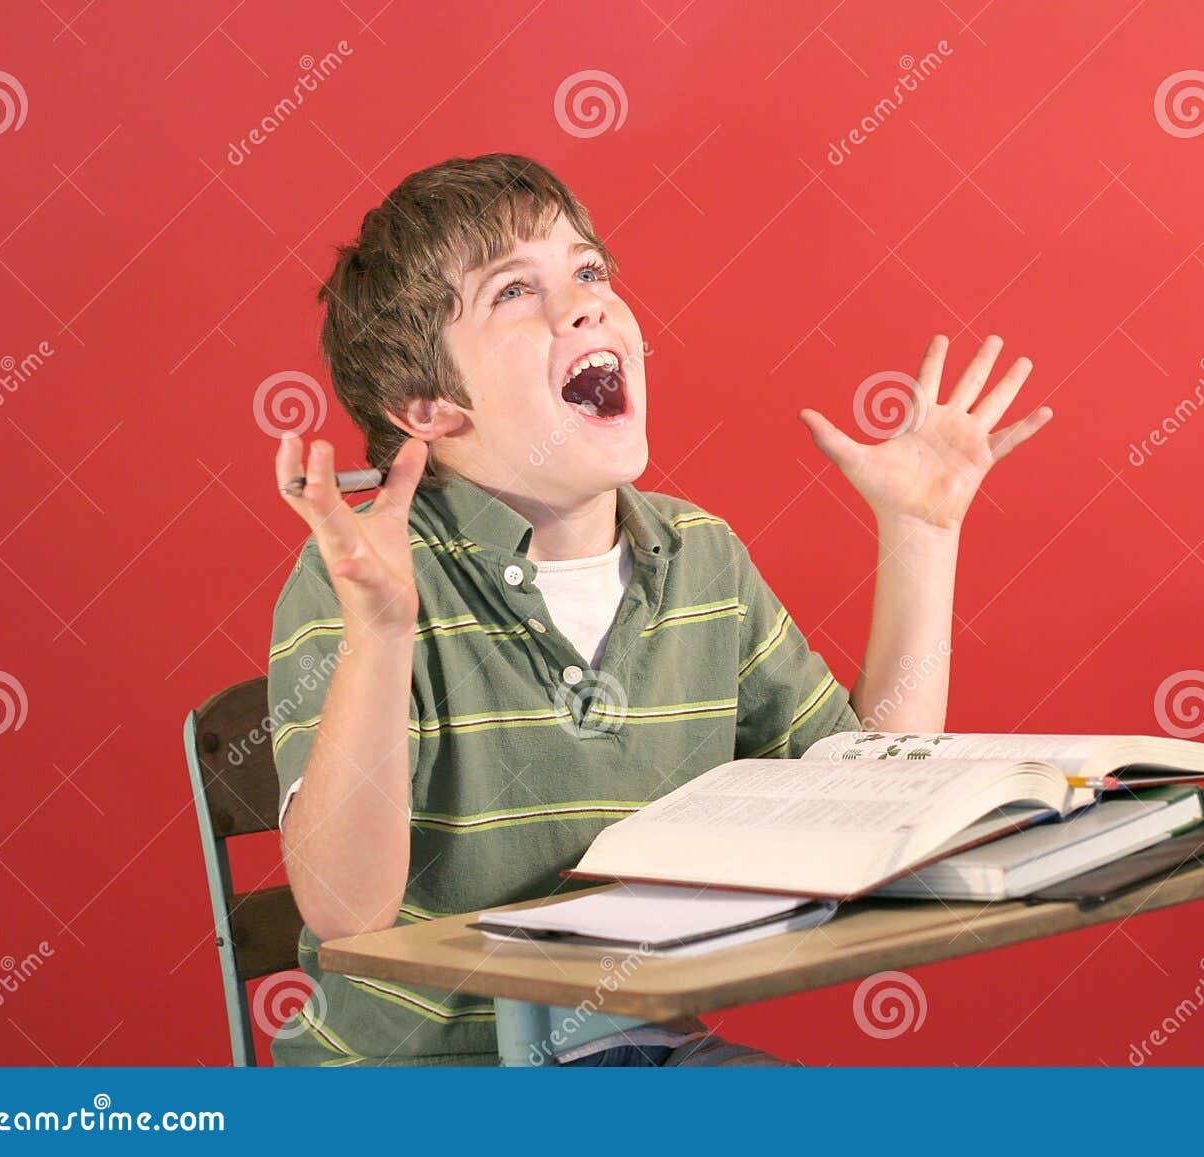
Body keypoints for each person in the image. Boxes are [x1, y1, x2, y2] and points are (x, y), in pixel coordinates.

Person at [266, 153, 1051, 1066]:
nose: (584, 305)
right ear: (428, 406)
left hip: (641, 1056)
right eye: (515, 292)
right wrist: (380, 635)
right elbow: (343, 907)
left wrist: (920, 535)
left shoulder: (699, 559)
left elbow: (870, 795)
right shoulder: (365, 578)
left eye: (588, 271)